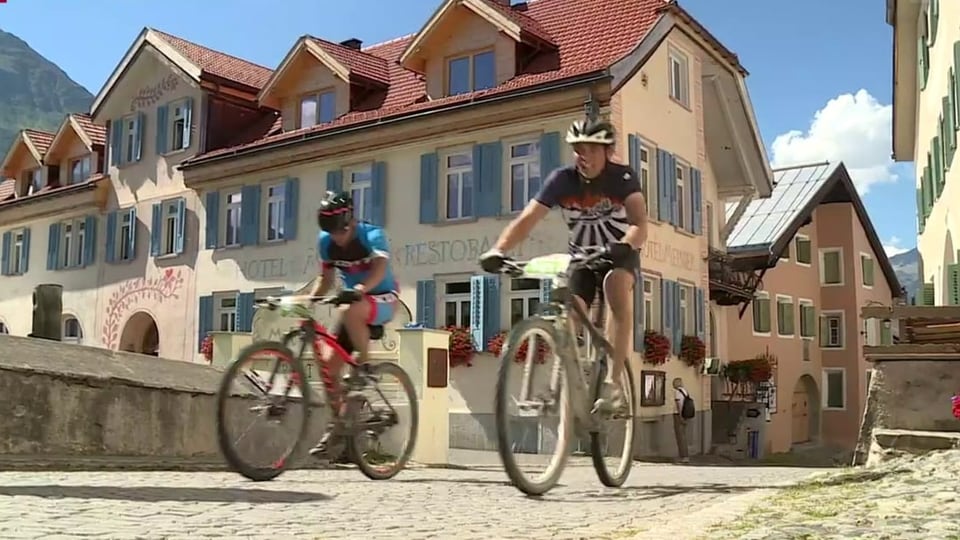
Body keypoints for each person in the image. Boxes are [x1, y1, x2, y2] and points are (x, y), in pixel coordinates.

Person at [479, 117, 649, 413]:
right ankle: (557, 384)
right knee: (569, 312)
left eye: (593, 149)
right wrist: (499, 250)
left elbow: (640, 223)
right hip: (582, 256)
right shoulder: (562, 180)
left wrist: (626, 244)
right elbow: (527, 220)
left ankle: (612, 383)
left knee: (616, 289)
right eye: (579, 149)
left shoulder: (622, 178)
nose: (585, 156)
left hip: (618, 253)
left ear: (607, 151)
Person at [308, 191, 400, 456]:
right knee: (329, 367)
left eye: (341, 231)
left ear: (351, 222)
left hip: (382, 298)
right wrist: (307, 300)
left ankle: (366, 366)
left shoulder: (372, 235)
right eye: (332, 232)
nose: (337, 237)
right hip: (353, 305)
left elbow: (380, 269)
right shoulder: (325, 242)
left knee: (350, 308)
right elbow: (324, 280)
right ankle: (340, 423)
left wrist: (360, 288)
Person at [672, 377, 691, 463]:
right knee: (683, 436)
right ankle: (685, 455)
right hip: (686, 415)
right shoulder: (685, 391)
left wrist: (680, 416)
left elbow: (679, 404)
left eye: (674, 383)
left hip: (679, 415)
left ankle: (683, 456)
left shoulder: (677, 392)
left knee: (680, 437)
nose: (673, 385)